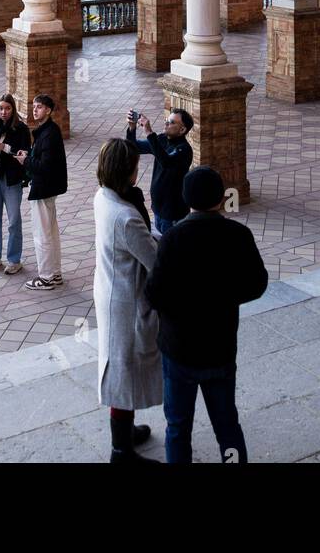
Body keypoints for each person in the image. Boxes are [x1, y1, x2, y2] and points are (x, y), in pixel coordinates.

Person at [145, 167, 268, 464]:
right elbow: (257, 284)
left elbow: (153, 293)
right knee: (227, 426)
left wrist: (179, 307)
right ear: (221, 197)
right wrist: (224, 298)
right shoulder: (238, 234)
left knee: (178, 428)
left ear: (186, 198)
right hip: (220, 348)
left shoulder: (172, 239)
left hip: (179, 350)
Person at [93, 138, 161, 465]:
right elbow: (153, 260)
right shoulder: (125, 216)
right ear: (128, 172)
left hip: (110, 290)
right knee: (124, 371)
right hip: (126, 300)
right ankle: (121, 451)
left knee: (121, 367)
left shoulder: (103, 198)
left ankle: (126, 430)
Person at [16, 94, 67, 291]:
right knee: (51, 232)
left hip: (43, 188)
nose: (34, 110)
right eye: (34, 106)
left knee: (42, 234)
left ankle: (45, 277)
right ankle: (54, 273)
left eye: (39, 107)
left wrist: (25, 161)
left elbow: (45, 166)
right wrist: (30, 156)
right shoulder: (48, 131)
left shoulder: (49, 133)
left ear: (48, 110)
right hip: (48, 188)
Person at [0, 93, 31, 275]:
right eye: (0, 108)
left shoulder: (21, 129)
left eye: (7, 108)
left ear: (13, 109)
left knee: (14, 220)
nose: (3, 112)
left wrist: (6, 148)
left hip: (11, 178)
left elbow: (25, 152)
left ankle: (14, 259)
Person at [125, 107, 193, 235]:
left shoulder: (184, 150)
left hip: (173, 214)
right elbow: (134, 147)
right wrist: (132, 128)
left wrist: (149, 132)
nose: (166, 123)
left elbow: (166, 161)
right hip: (157, 209)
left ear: (182, 130)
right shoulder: (161, 139)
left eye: (172, 122)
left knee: (173, 250)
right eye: (167, 120)